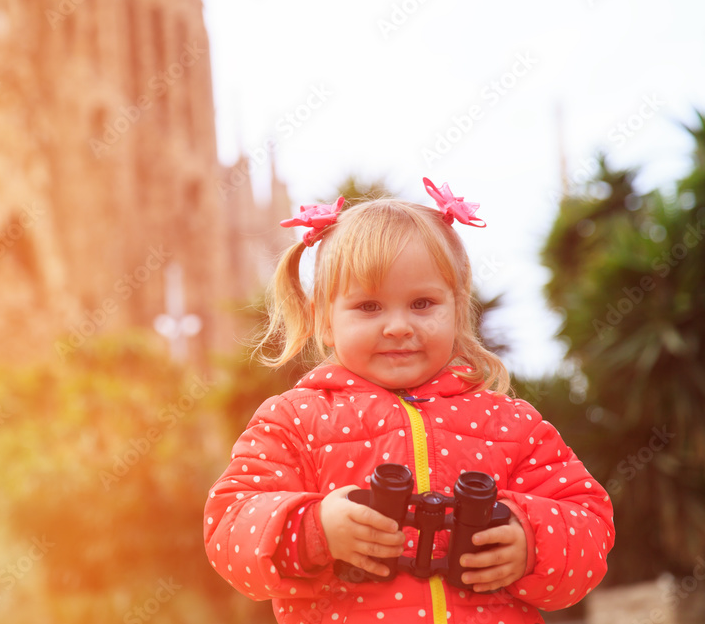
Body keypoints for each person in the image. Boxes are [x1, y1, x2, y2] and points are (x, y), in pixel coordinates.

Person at [203, 179, 614, 624]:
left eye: (422, 303)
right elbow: (229, 526)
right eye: (368, 306)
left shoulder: (510, 423)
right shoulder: (294, 420)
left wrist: (531, 539)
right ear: (324, 319)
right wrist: (315, 528)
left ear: (456, 310)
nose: (398, 326)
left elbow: (589, 521)